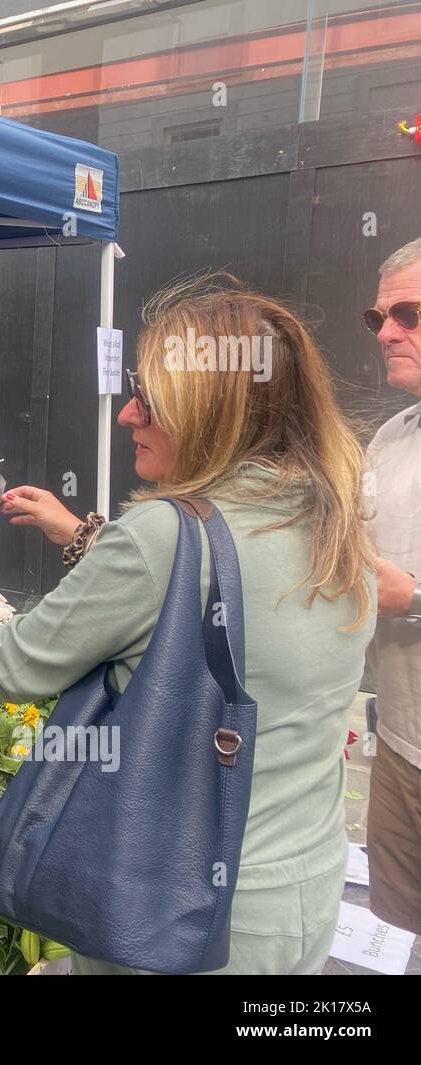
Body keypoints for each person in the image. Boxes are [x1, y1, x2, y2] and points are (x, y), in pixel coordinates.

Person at [0, 273, 375, 974]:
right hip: (299, 897)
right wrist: (84, 533)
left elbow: (25, 659)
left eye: (152, 397)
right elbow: (212, 589)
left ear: (213, 413)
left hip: (177, 912)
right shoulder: (335, 513)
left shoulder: (162, 536)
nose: (127, 415)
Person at [360, 237, 421, 934]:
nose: (387, 332)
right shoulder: (389, 439)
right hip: (400, 745)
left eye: (409, 312)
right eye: (377, 318)